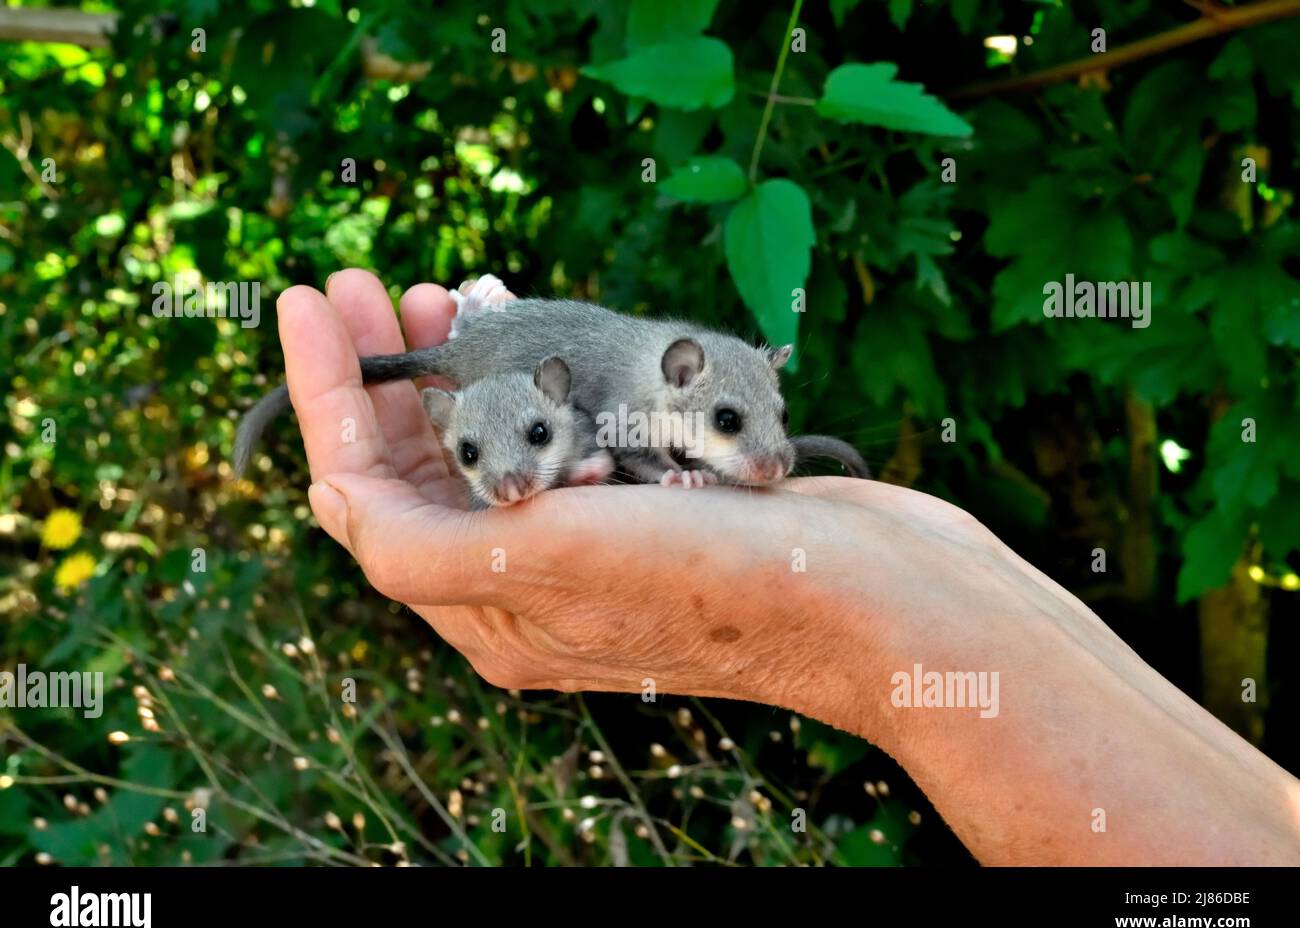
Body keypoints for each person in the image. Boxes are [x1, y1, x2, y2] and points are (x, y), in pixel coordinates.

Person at [272, 268, 1300, 866]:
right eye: (728, 427)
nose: (767, 464)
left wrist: (870, 589)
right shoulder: (635, 387)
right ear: (681, 385)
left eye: (770, 429)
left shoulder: (692, 379)